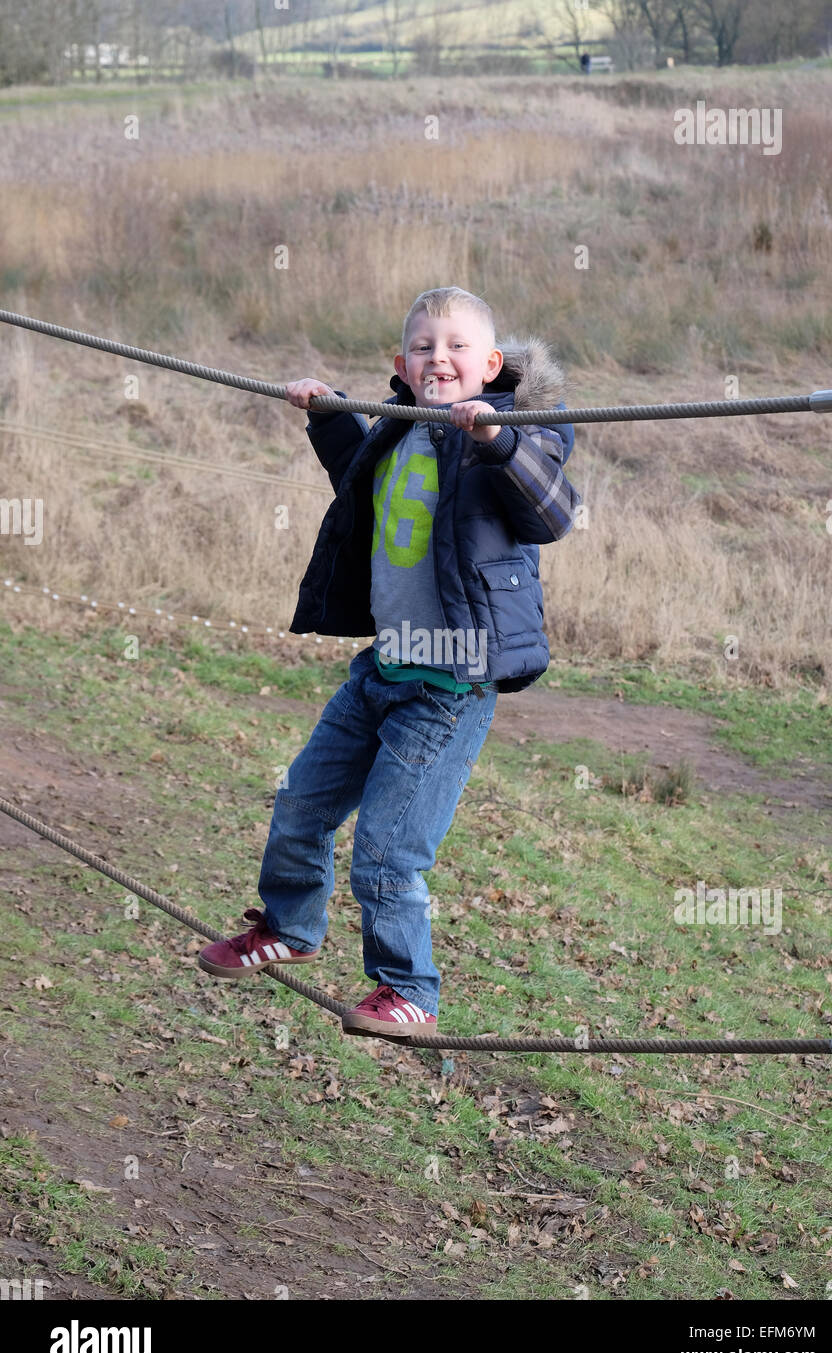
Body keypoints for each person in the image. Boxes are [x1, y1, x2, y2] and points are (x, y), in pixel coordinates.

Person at [198, 286, 581, 1039]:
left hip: (449, 685)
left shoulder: (521, 431)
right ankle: (290, 927)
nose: (440, 358)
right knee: (301, 805)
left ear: (492, 364)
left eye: (457, 347)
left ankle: (408, 989)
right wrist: (329, 413)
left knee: (386, 850)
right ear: (400, 367)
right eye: (423, 348)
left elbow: (552, 510)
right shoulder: (401, 430)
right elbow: (356, 483)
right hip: (383, 670)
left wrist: (497, 438)